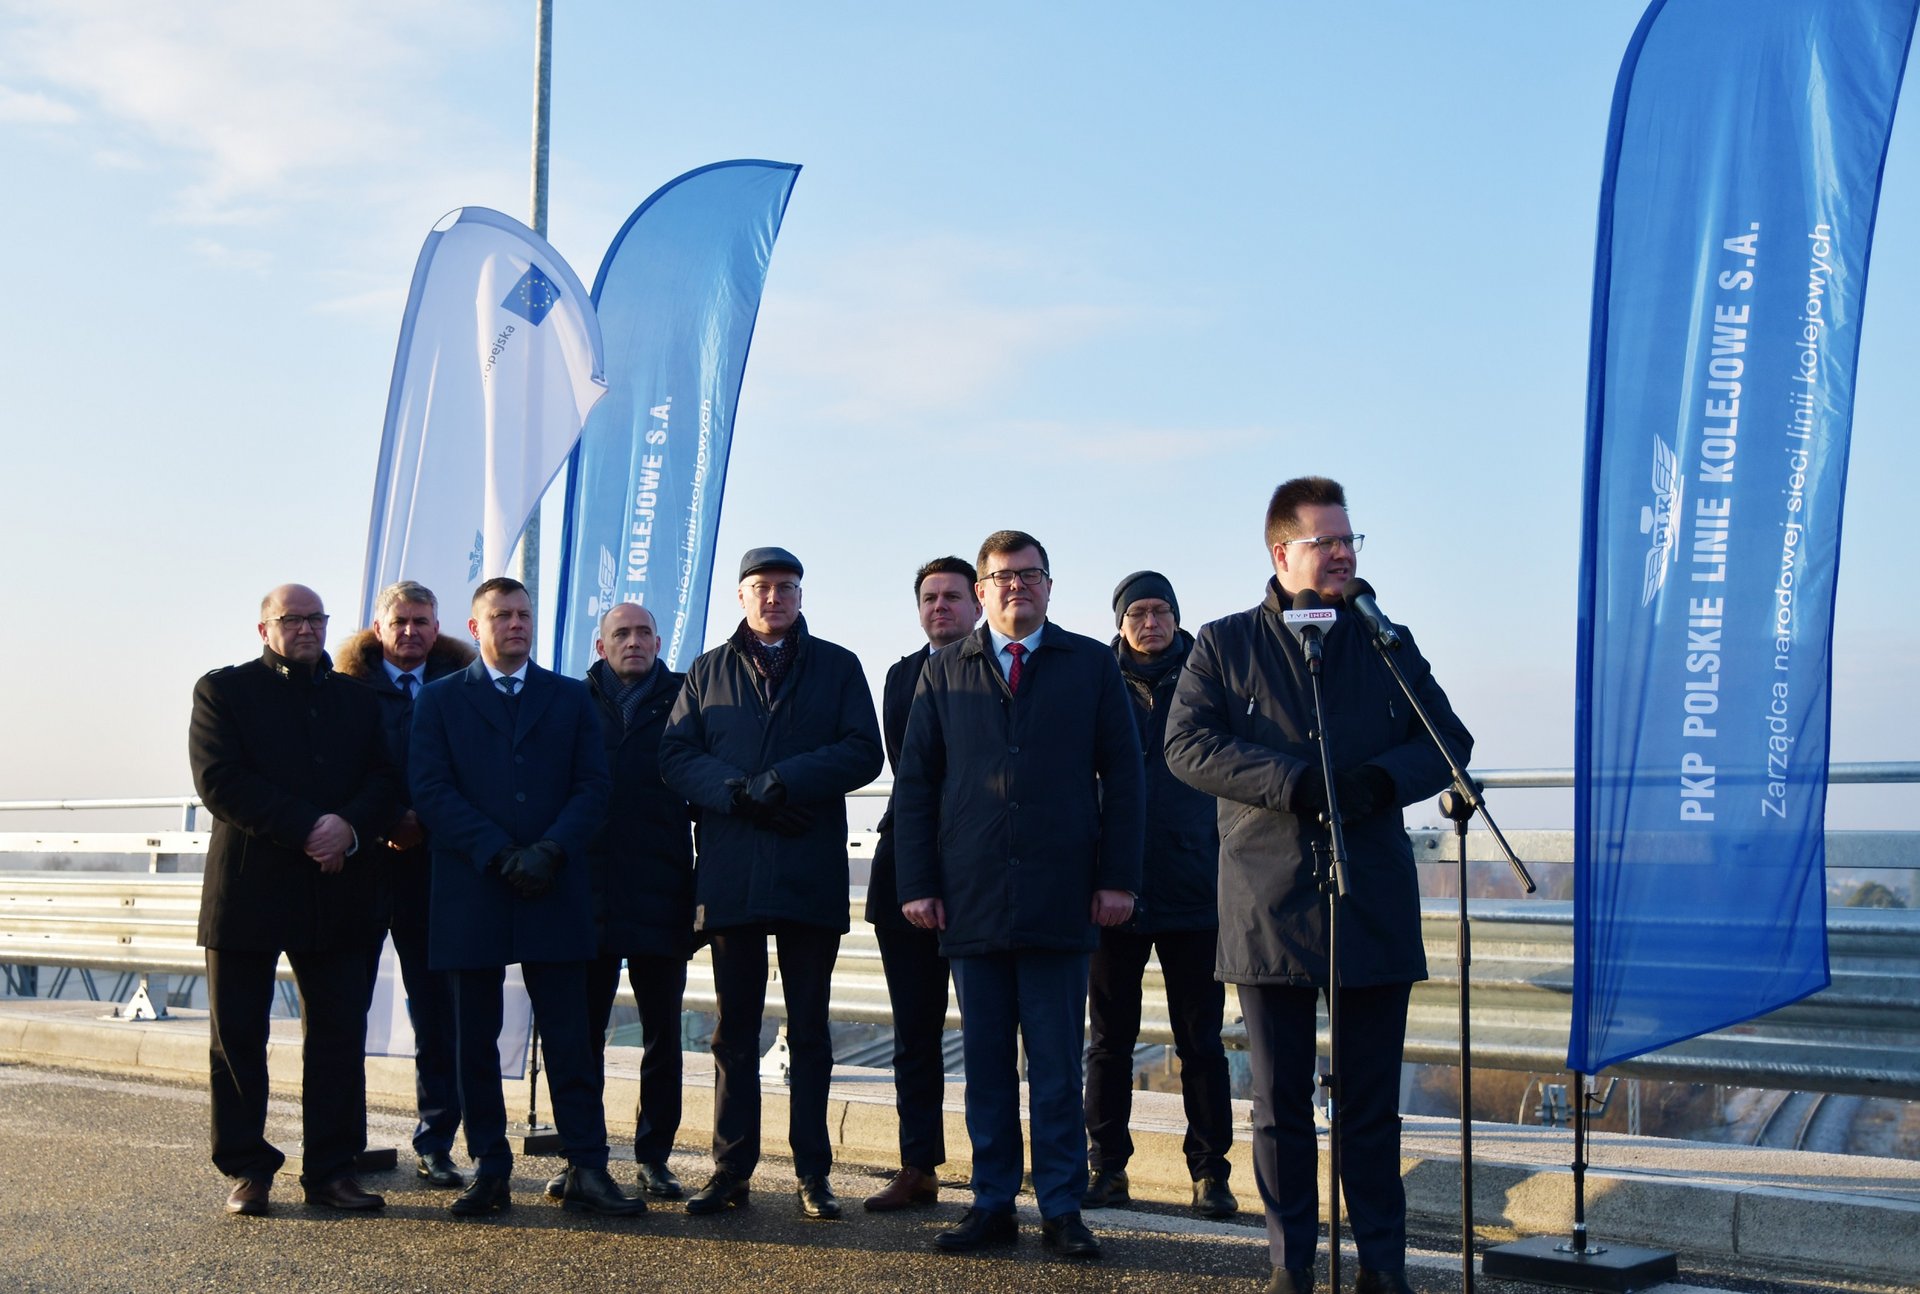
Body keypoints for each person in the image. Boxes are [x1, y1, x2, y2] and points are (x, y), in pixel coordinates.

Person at [1164, 477, 1471, 1294]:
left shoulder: (1383, 639)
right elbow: (1186, 746)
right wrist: (1292, 782)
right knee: (1279, 1108)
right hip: (1268, 904)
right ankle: (1290, 1265)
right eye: (1326, 542)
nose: (1343, 555)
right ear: (1281, 553)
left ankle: (1382, 1267)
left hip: (1368, 900)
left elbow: (1448, 737)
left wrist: (1376, 782)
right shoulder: (1225, 644)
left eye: (1350, 542)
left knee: (1371, 1108)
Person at [894, 530, 1144, 1260]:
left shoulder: (1091, 665)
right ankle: (993, 1202)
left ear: (1048, 586)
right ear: (981, 591)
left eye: (1029, 575)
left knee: (1059, 1067)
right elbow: (916, 785)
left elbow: (1125, 780)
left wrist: (1118, 879)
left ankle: (1063, 1207)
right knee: (987, 1068)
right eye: (1001, 577)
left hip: (1062, 896)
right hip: (969, 895)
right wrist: (918, 885)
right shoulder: (946, 673)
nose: (1015, 587)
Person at [408, 576, 644, 1219]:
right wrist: (497, 851)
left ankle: (588, 1167)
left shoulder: (569, 699)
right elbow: (430, 790)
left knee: (571, 1038)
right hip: (471, 887)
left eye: (524, 615)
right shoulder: (438, 701)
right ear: (476, 624)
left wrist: (549, 851)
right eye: (502, 615)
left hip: (554, 885)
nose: (516, 624)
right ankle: (489, 1166)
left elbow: (593, 787)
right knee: (472, 1041)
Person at [659, 547, 884, 1220]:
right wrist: (734, 792)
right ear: (741, 597)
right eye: (762, 587)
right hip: (732, 871)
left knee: (811, 1029)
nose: (774, 597)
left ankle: (814, 1174)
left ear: (800, 595)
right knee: (733, 1031)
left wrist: (788, 781)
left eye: (786, 586)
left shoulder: (838, 666)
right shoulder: (706, 671)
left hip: (809, 869)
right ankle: (730, 1172)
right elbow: (675, 753)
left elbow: (862, 750)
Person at [188, 583, 401, 1217]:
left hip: (337, 889)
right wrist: (312, 826)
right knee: (238, 1037)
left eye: (315, 618)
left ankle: (332, 1171)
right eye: (291, 619)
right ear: (264, 630)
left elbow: (386, 779)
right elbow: (219, 780)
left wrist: (351, 828)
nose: (305, 628)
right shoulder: (222, 691)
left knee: (337, 1037)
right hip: (247, 890)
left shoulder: (358, 702)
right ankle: (249, 1169)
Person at [1082, 571, 1237, 1220]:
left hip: (1195, 885)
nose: (1152, 623)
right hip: (1114, 888)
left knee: (1200, 1041)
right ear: (1120, 622)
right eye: (1139, 613)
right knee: (1109, 1041)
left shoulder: (1208, 677)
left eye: (1162, 611)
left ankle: (1210, 1175)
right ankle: (1107, 1169)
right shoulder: (1094, 680)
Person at [538, 601, 694, 1203]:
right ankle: (585, 1154)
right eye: (620, 633)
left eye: (643, 633)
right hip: (584, 892)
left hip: (662, 888)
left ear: (659, 641)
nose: (633, 642)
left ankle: (654, 1157)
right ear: (600, 646)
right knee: (582, 1035)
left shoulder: (688, 698)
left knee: (664, 1035)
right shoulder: (571, 702)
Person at [336, 579, 473, 1190]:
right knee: (345, 1012)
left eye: (422, 621)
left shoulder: (462, 689)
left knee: (438, 1017)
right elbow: (337, 770)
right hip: (361, 870)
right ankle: (345, 1144)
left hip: (436, 871)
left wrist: (426, 823)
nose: (412, 632)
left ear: (436, 624)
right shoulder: (343, 691)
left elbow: (471, 772)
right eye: (401, 623)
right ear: (378, 628)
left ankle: (437, 1142)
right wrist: (390, 820)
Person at [860, 556, 980, 1212]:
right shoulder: (902, 676)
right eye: (930, 598)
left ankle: (997, 1174)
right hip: (905, 869)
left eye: (952, 597)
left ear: (978, 603)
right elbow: (912, 772)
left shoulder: (1002, 670)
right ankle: (918, 1165)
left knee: (990, 1032)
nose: (940, 607)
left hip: (981, 873)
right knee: (915, 1031)